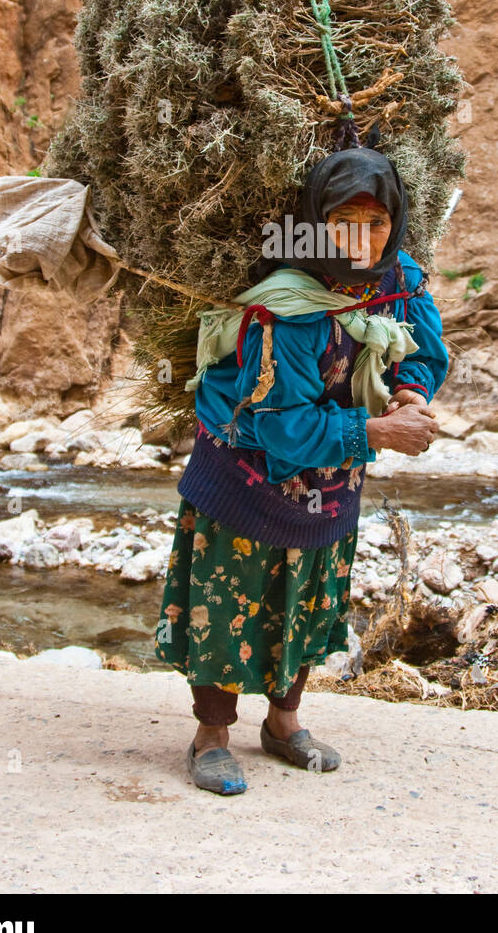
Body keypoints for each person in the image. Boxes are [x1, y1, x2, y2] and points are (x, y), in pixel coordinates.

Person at [154, 147, 448, 794]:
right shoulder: (284, 309)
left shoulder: (399, 280)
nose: (364, 240)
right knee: (229, 601)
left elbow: (425, 350)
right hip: (247, 476)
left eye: (377, 223)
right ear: (316, 221)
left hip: (330, 481)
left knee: (308, 596)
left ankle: (283, 723)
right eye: (345, 222)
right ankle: (210, 736)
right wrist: (376, 431)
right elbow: (281, 426)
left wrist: (412, 390)